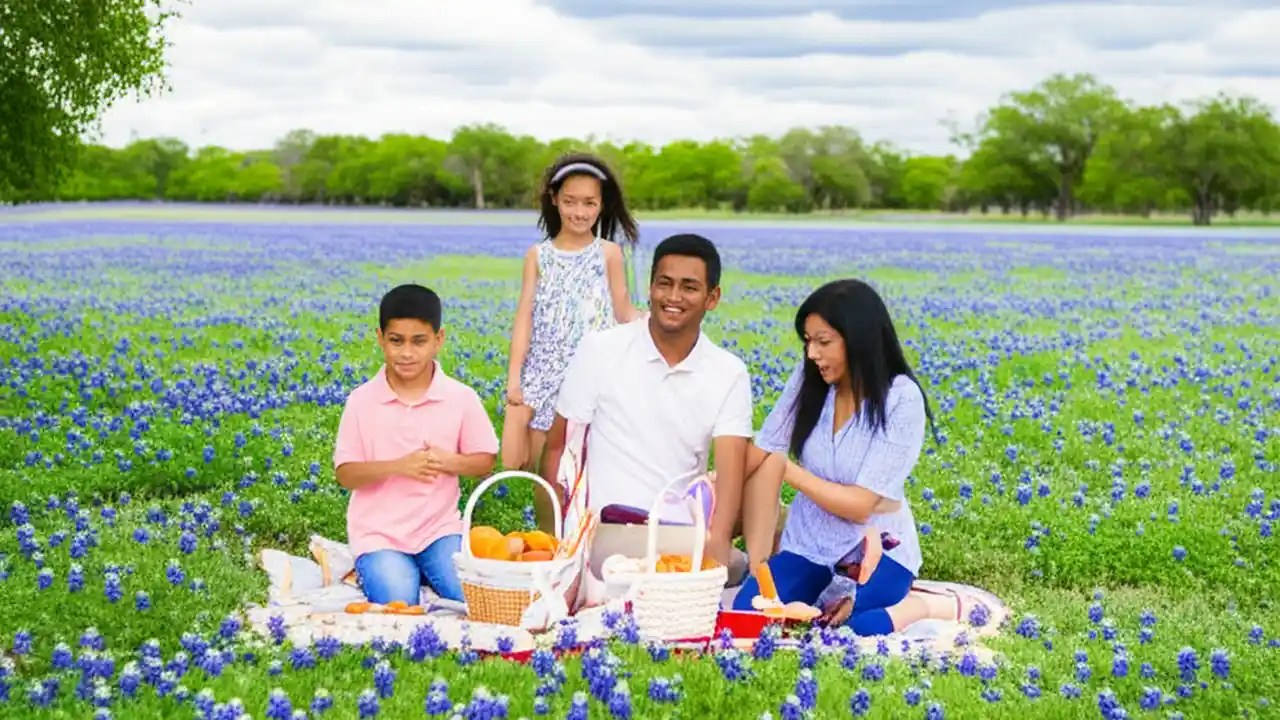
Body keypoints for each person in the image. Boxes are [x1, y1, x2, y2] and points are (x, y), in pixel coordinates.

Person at [732, 279, 967, 634]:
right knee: (748, 614)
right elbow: (766, 445)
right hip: (810, 544)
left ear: (859, 340)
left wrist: (785, 470)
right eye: (808, 341)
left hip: (877, 549)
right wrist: (718, 482)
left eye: (823, 342)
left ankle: (923, 605)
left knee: (856, 630)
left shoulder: (901, 399)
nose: (812, 354)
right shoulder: (810, 378)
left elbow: (861, 505)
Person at [543, 233, 753, 576]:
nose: (673, 297)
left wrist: (716, 547)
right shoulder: (600, 350)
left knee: (736, 565)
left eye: (689, 287)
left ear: (712, 298)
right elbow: (557, 447)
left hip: (679, 535)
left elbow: (731, 474)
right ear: (650, 287)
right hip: (603, 533)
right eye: (664, 284)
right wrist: (553, 541)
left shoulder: (728, 372)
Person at [333, 284, 499, 605]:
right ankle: (393, 568)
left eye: (419, 341)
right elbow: (346, 474)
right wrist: (400, 466)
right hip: (379, 534)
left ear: (439, 339)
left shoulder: (461, 398)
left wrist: (447, 461)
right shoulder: (361, 401)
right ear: (380, 338)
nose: (406, 353)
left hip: (439, 530)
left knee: (473, 596)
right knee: (398, 599)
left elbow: (485, 461)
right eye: (396, 341)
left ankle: (422, 568)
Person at [503, 153, 645, 528]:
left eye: (589, 203)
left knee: (589, 462)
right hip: (544, 373)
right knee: (544, 470)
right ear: (554, 199)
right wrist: (514, 378)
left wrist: (660, 321)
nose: (579, 212)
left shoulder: (609, 253)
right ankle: (550, 542)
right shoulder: (539, 256)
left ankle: (585, 539)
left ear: (602, 204)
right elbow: (524, 319)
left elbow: (623, 311)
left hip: (593, 371)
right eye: (570, 201)